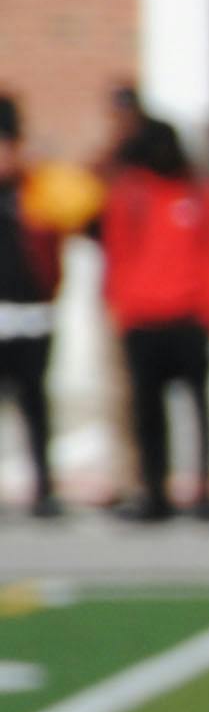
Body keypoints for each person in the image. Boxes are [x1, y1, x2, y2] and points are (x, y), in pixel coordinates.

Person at [98, 117, 209, 523]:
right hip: (144, 319)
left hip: (189, 318)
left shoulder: (198, 192)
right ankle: (155, 492)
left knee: (200, 409)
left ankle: (205, 490)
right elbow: (117, 255)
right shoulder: (131, 194)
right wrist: (122, 310)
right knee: (148, 414)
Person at [0, 98, 74, 516]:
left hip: (31, 315)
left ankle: (43, 486)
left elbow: (76, 207)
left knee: (35, 404)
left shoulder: (35, 190)